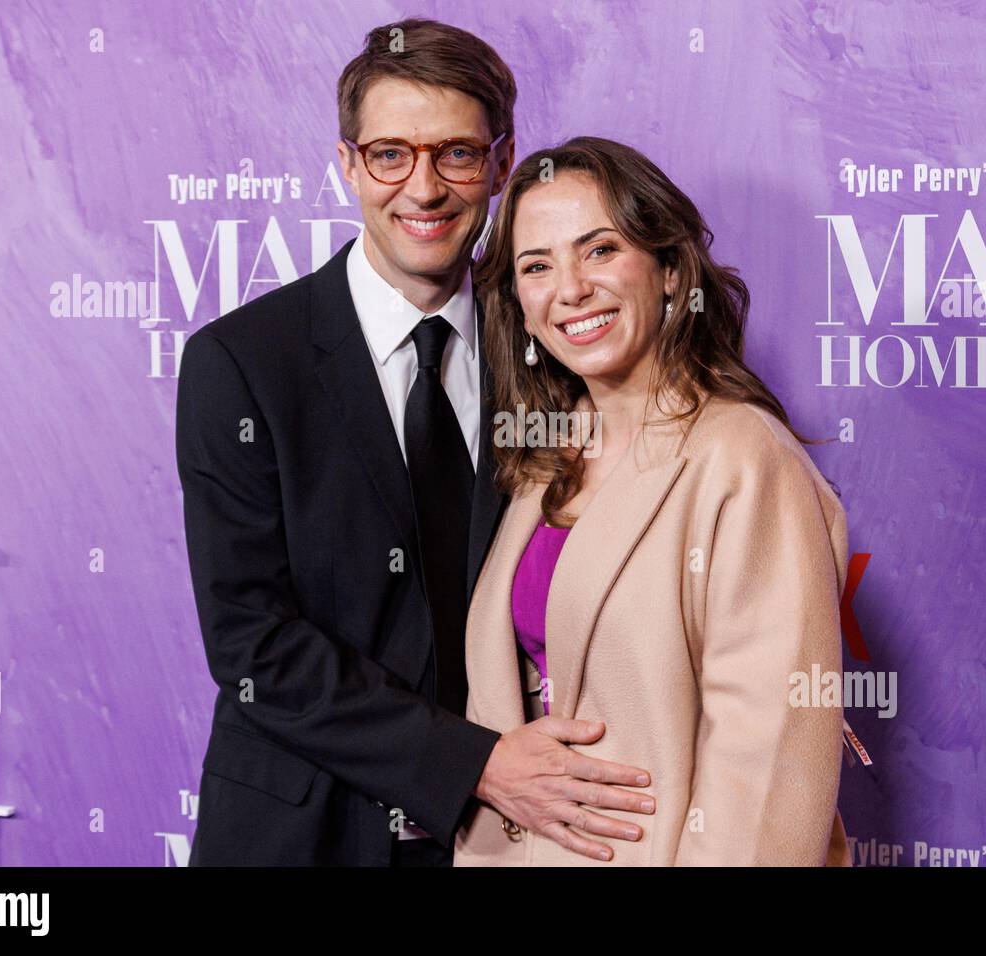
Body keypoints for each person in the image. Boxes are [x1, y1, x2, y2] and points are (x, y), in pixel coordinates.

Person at [177, 21, 654, 867]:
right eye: (391, 154)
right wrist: (474, 763)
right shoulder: (243, 363)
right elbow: (252, 641)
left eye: (457, 155)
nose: (424, 188)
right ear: (349, 164)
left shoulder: (553, 347)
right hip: (302, 836)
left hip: (511, 841)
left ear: (503, 164)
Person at [454, 136, 854, 865]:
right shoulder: (544, 456)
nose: (570, 288)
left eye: (600, 250)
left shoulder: (742, 458)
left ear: (670, 271)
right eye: (536, 266)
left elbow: (767, 770)